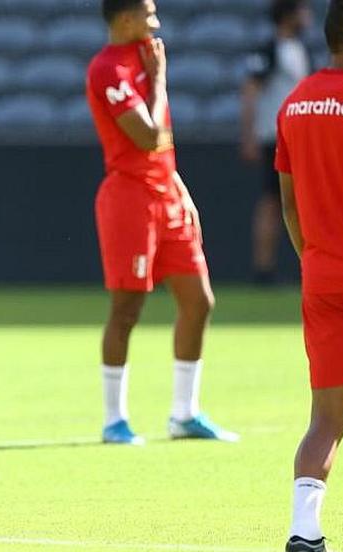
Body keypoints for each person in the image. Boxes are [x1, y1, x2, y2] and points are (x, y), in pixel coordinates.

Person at [85, 0, 238, 445]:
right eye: (149, 14)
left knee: (199, 300)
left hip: (166, 193)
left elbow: (161, 147)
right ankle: (115, 420)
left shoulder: (142, 55)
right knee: (127, 309)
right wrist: (159, 80)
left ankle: (184, 414)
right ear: (127, 17)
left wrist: (178, 186)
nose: (156, 22)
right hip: (130, 198)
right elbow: (147, 135)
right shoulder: (108, 69)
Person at [274, 0, 343, 552]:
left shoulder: (294, 103)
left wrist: (313, 259)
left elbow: (289, 205)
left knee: (326, 420)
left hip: (321, 273)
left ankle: (305, 534)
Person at [241, 0, 313, 285]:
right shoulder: (270, 49)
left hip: (298, 137)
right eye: (302, 10)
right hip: (276, 137)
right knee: (274, 202)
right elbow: (250, 90)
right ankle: (264, 268)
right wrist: (248, 134)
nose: (307, 16)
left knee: (298, 202)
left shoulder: (300, 49)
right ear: (289, 15)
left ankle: (307, 264)